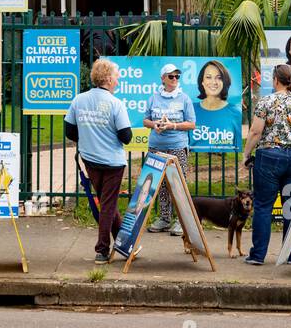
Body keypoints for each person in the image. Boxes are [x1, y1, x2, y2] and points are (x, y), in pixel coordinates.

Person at [242, 63, 291, 266]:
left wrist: (246, 154)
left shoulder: (266, 101)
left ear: (275, 80)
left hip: (270, 156)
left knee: (263, 206)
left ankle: (258, 255)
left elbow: (256, 132)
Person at [64, 58, 133, 265]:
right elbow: (126, 136)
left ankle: (125, 244)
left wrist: (88, 138)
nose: (118, 81)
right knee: (108, 206)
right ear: (109, 78)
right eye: (117, 77)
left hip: (90, 160)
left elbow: (69, 130)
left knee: (106, 203)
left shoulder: (79, 100)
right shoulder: (115, 103)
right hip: (112, 162)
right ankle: (102, 250)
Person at [145, 63, 195, 236]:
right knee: (160, 184)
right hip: (156, 146)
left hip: (177, 147)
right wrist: (155, 125)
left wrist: (173, 125)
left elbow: (192, 124)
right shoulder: (153, 98)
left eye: (177, 76)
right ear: (163, 78)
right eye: (171, 76)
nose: (174, 79)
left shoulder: (184, 98)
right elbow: (145, 121)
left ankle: (181, 221)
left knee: (178, 183)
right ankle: (164, 218)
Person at [194, 59, 243, 152]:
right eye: (208, 77)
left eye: (219, 77)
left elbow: (236, 146)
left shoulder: (236, 112)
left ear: (224, 81)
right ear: (202, 82)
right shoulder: (191, 109)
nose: (214, 82)